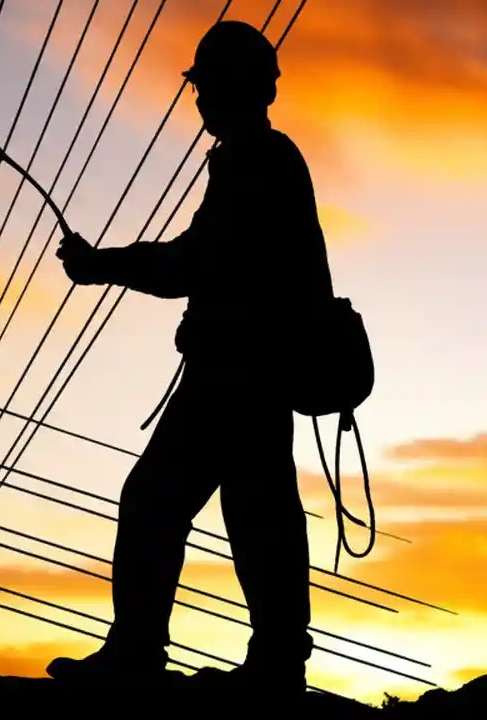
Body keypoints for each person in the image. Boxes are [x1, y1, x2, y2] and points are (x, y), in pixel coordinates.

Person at [46, 20, 333, 695]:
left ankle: (148, 653)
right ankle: (273, 660)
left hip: (236, 374)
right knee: (256, 511)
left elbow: (193, 263)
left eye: (207, 87)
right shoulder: (259, 160)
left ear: (233, 87)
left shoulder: (257, 164)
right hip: (249, 372)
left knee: (161, 502)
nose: (199, 100)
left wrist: (101, 265)